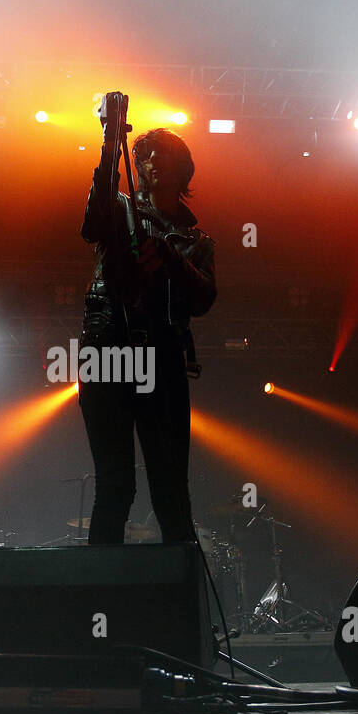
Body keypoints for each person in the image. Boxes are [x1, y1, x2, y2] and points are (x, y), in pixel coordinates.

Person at [78, 117, 216, 544]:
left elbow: (204, 299)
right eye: (144, 153)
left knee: (171, 490)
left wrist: (171, 259)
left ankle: (179, 603)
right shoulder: (118, 208)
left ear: (182, 169)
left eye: (162, 153)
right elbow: (89, 227)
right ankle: (100, 602)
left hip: (164, 361)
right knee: (115, 486)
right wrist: (109, 142)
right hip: (107, 354)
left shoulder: (197, 240)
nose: (151, 159)